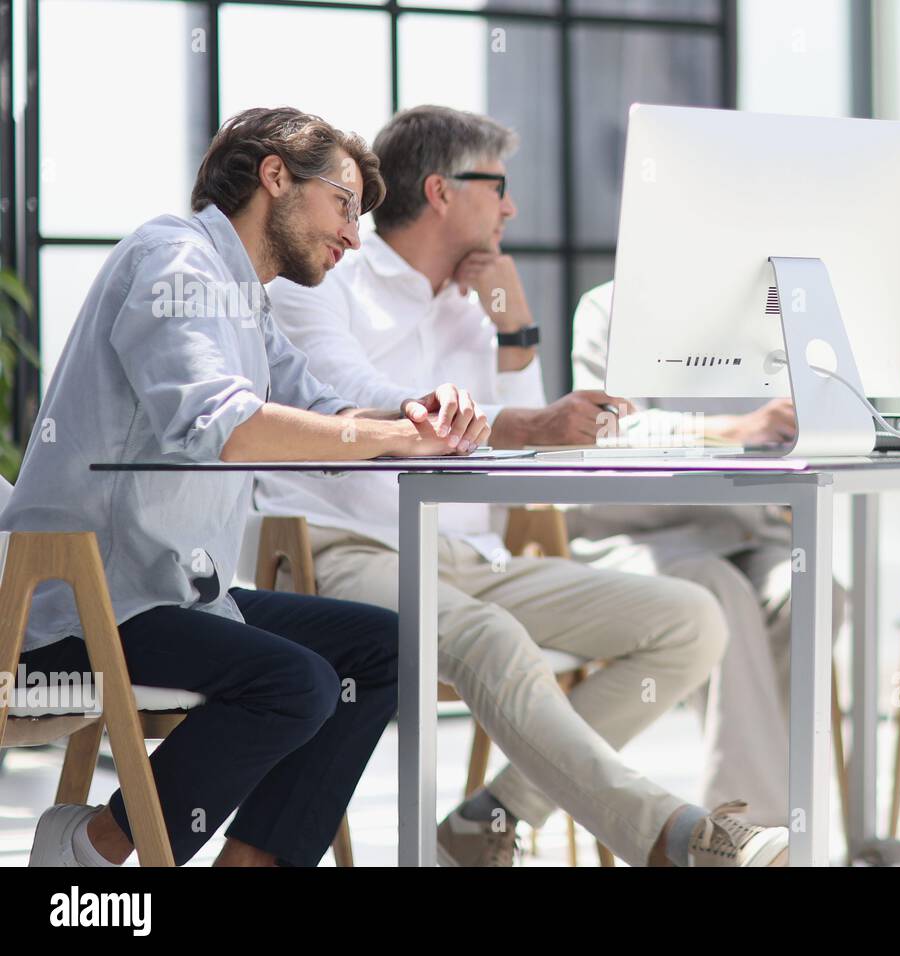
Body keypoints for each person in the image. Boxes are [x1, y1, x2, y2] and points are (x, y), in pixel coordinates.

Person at [253, 105, 789, 867]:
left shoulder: (479, 307)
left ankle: (489, 822)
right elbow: (358, 404)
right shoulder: (328, 279)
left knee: (691, 618)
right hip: (345, 553)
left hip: (471, 557)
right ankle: (673, 835)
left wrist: (516, 327)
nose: (510, 207)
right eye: (496, 187)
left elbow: (538, 457)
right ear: (440, 191)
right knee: (492, 638)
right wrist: (532, 423)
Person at [4, 107, 494, 867]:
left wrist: (414, 416)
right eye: (343, 204)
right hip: (80, 613)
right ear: (275, 176)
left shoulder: (242, 298)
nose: (352, 237)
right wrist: (390, 436)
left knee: (387, 648)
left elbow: (322, 409)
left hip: (171, 599)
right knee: (295, 683)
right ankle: (88, 847)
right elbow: (221, 424)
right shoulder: (173, 261)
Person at [570, 280, 847, 826]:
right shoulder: (610, 306)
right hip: (637, 538)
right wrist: (735, 430)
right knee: (718, 593)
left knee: (812, 591)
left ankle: (774, 826)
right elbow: (607, 424)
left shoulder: (769, 312)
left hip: (745, 531)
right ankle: (746, 829)